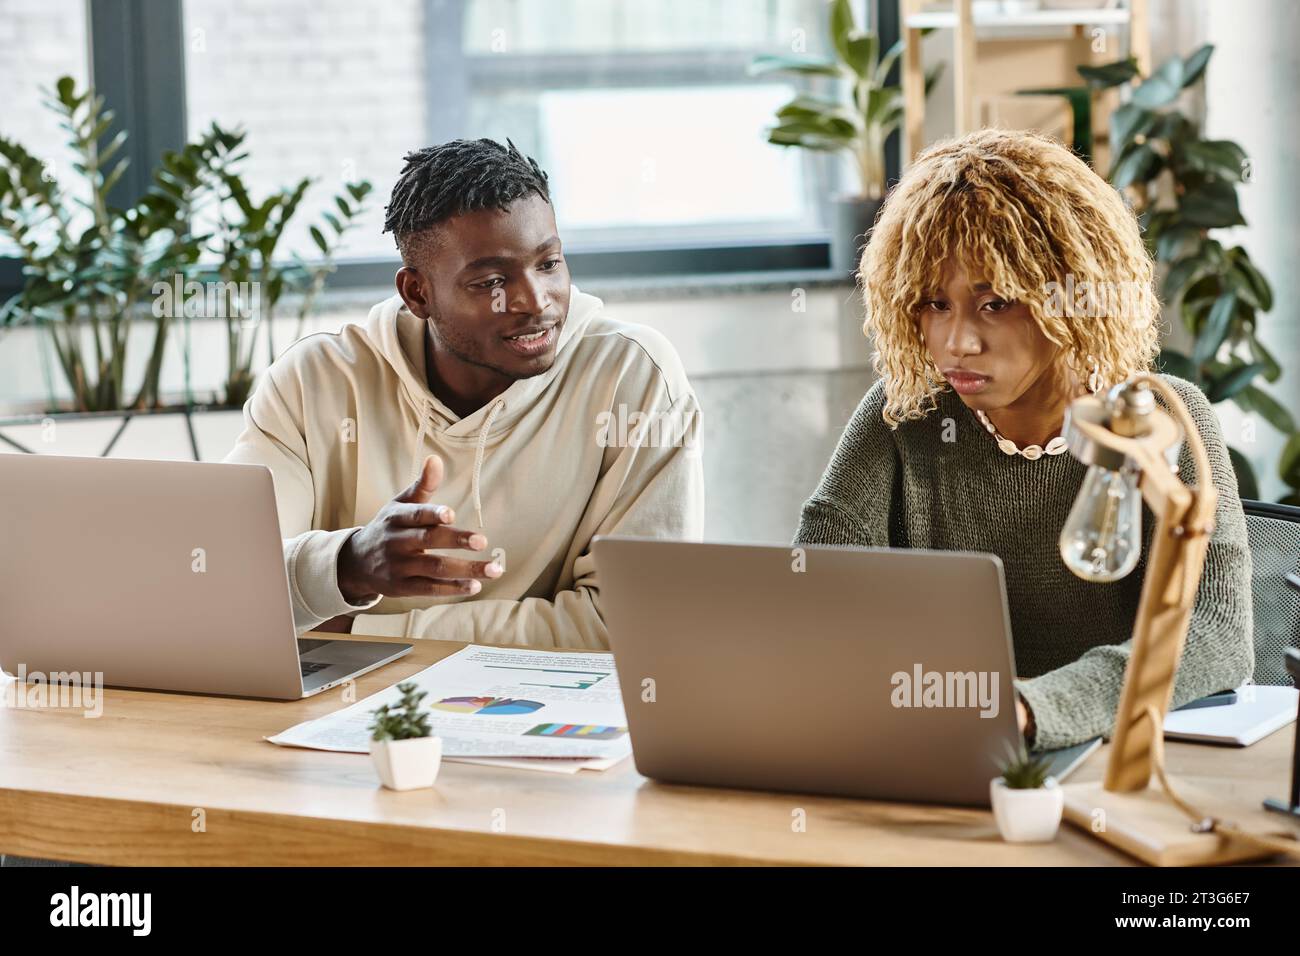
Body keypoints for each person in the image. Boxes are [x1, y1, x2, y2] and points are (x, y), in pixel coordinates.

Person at [795, 129, 1253, 750]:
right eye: (934, 304)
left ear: (1072, 298)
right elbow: (815, 588)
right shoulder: (903, 412)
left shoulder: (1162, 419)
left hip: (1099, 754)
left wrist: (1030, 711)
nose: (957, 342)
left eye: (995, 304)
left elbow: (1217, 635)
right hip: (931, 746)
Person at [225, 138, 704, 647]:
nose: (535, 301)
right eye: (492, 280)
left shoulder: (633, 374)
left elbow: (634, 626)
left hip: (543, 695)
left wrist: (358, 627)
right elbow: (227, 579)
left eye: (548, 264)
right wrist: (350, 564)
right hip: (349, 693)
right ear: (418, 293)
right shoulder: (313, 380)